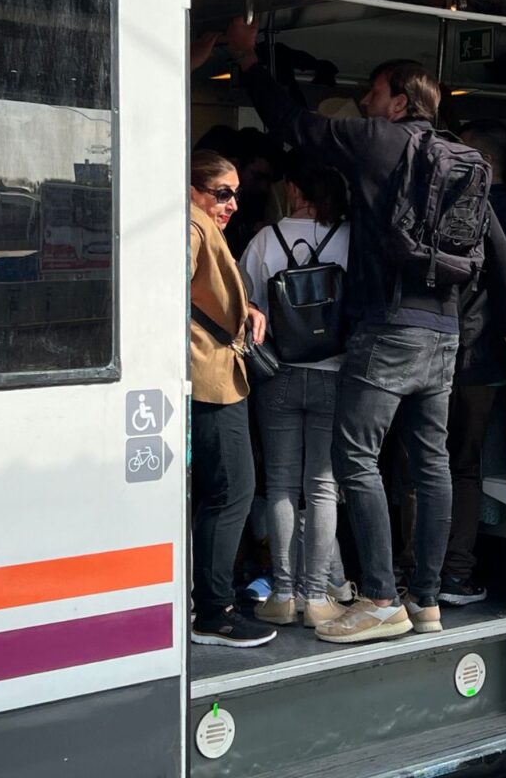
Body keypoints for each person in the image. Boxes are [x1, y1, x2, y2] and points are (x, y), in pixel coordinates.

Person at [226, 19, 506, 645]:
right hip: (445, 333)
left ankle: (378, 598)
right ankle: (426, 601)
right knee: (433, 465)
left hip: (388, 328)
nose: (366, 101)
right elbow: (498, 248)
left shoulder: (377, 141)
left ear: (399, 101)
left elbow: (294, 127)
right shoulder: (467, 161)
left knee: (354, 459)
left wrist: (249, 61)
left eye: (373, 91)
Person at [240, 155, 357, 629]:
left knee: (282, 486)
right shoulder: (351, 238)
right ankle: (318, 598)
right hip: (335, 373)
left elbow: (245, 302)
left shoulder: (266, 239)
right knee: (323, 487)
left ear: (294, 190)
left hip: (280, 374)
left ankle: (283, 594)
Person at [188, 149, 276, 648]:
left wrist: (246, 308)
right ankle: (216, 610)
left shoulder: (200, 227)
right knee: (233, 491)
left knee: (218, 494)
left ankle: (211, 601)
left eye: (235, 194)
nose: (233, 204)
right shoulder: (194, 227)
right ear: (193, 189)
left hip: (212, 375)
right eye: (222, 193)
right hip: (212, 379)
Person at [440, 120, 506, 606]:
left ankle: (441, 568)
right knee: (465, 464)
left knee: (443, 463)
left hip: (458, 350)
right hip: (488, 356)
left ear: (482, 163)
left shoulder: (478, 205)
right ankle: (456, 573)